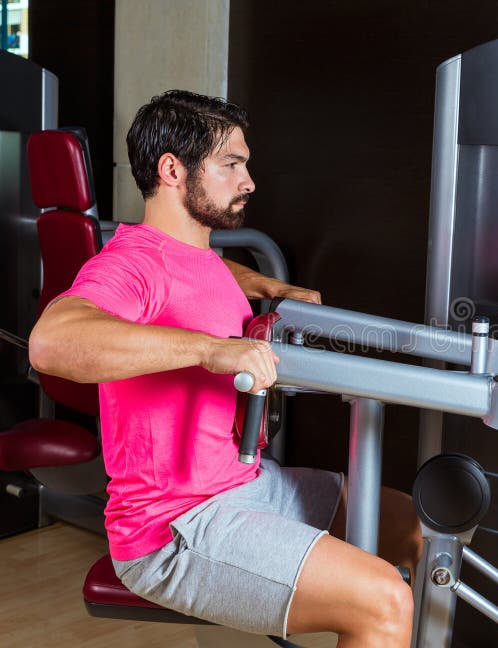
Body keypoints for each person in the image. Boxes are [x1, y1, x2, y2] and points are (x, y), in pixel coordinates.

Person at [29, 90, 421, 647]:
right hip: (175, 526)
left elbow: (203, 273)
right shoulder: (128, 265)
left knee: (411, 526)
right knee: (383, 600)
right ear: (172, 169)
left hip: (244, 484)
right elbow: (52, 342)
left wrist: (268, 286)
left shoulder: (191, 250)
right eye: (232, 164)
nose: (249, 180)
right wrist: (209, 348)